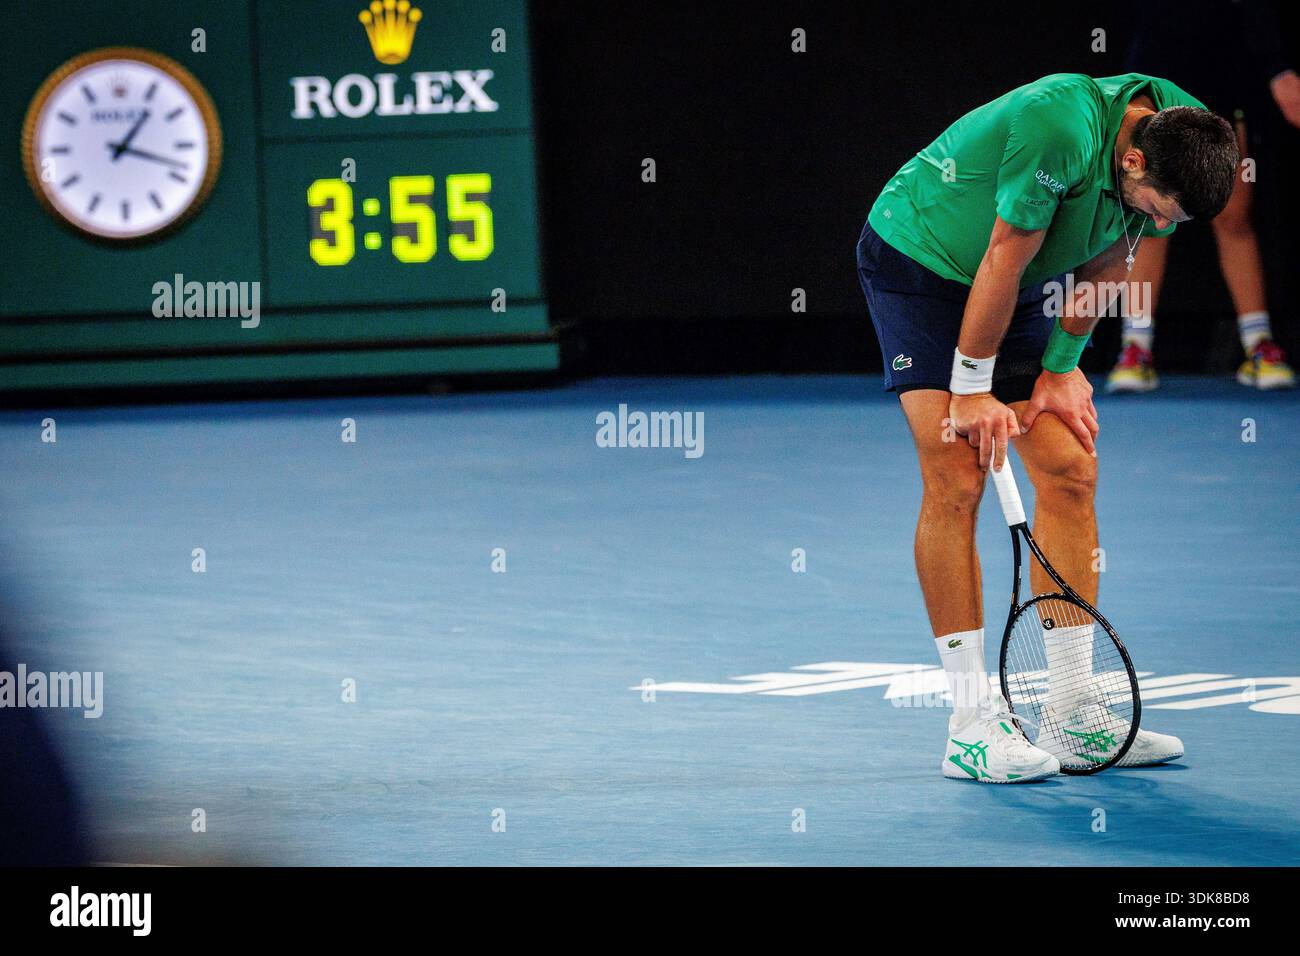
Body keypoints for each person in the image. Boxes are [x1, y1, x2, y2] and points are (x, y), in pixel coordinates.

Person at [857, 73, 1236, 782]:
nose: (1161, 224)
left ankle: (1070, 713)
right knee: (957, 470)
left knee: (1070, 467)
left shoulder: (1182, 131)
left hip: (1021, 272)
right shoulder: (1058, 124)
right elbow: (1002, 251)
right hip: (924, 262)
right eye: (1161, 207)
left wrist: (1061, 366)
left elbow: (1110, 253)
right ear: (1131, 160)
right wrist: (971, 389)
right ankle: (971, 724)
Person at [1108, 0, 1298, 392]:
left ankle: (1259, 345)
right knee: (1148, 210)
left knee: (1233, 214)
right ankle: (1135, 348)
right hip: (1154, 72)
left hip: (1225, 75)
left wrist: (1277, 66)